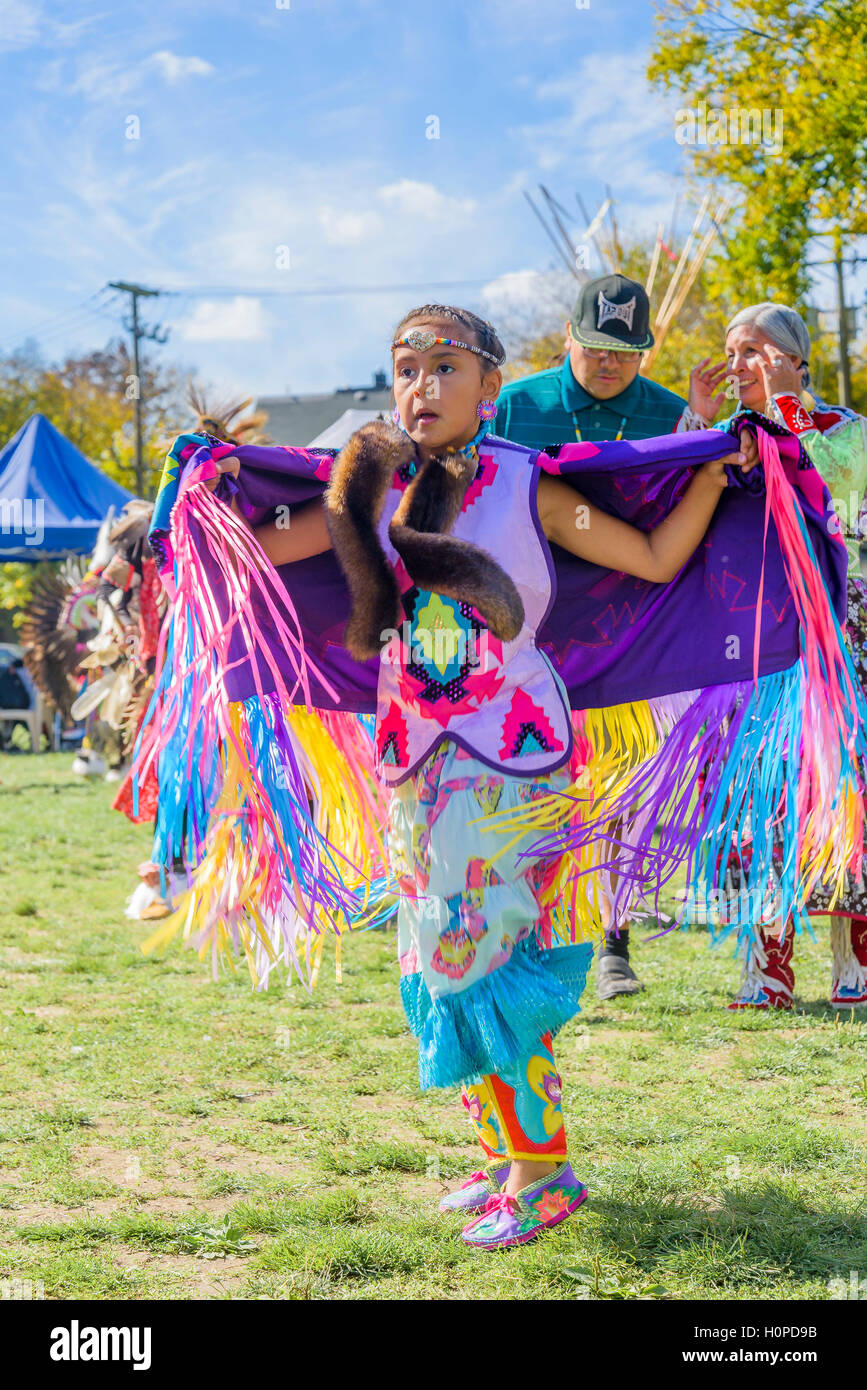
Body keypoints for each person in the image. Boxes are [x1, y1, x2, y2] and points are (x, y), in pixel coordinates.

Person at [191, 303, 754, 1249]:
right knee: (438, 961)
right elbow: (254, 551)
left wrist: (703, 466)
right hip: (414, 766)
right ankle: (505, 1161)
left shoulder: (530, 487)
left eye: (445, 367)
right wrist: (208, 489)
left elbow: (656, 560)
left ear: (492, 386)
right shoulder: (367, 492)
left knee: (483, 964)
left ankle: (546, 1178)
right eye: (405, 367)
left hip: (510, 760)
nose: (421, 385)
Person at [496, 273, 688, 999]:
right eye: (596, 346)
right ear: (568, 338)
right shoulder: (517, 406)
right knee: (528, 775)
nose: (610, 363)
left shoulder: (669, 412)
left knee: (616, 785)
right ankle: (526, 935)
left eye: (626, 349)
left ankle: (612, 943)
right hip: (530, 628)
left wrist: (698, 432)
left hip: (627, 629)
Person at [681, 301, 867, 1009]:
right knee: (759, 794)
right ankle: (766, 968)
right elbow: (668, 500)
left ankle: (854, 962)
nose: (737, 366)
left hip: (838, 647)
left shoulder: (841, 432)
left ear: (794, 358)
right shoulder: (723, 439)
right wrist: (696, 425)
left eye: (754, 350)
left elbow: (843, 500)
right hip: (750, 647)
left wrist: (787, 419)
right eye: (730, 354)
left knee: (840, 792)